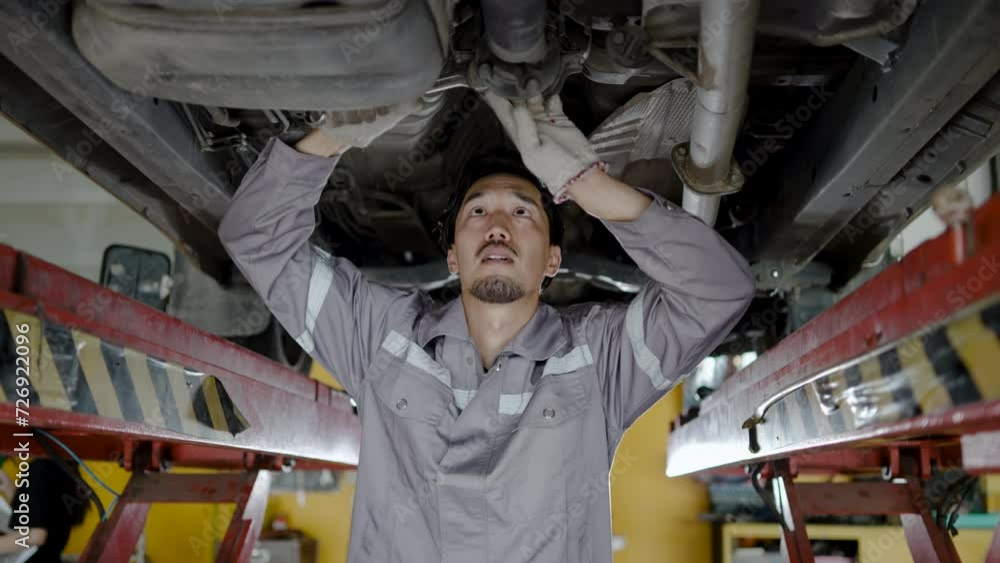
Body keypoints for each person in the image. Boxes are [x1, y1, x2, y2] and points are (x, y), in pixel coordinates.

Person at [218, 91, 755, 563]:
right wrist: (334, 135)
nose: (498, 226)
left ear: (552, 260)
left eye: (523, 213)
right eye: (477, 212)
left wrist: (588, 186)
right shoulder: (381, 338)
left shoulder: (602, 360)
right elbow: (254, 241)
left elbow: (720, 291)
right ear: (453, 256)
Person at [0, 459, 87, 563]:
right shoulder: (62, 469)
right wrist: (10, 490)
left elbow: (36, 537)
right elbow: (37, 517)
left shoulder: (40, 469)